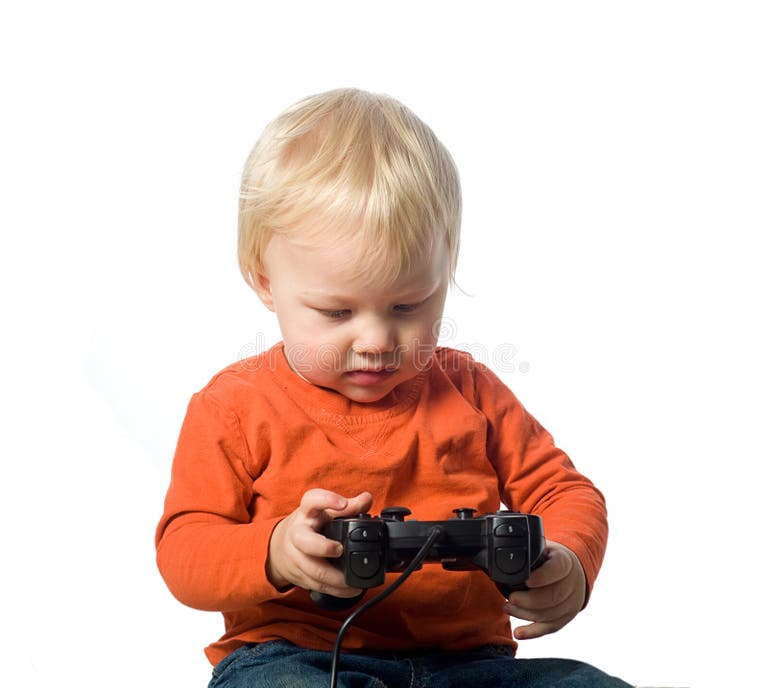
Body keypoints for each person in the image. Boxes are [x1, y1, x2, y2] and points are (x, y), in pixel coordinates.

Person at [155, 88, 631, 687]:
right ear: (265, 281)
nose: (377, 340)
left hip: (470, 666)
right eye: (336, 312)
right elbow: (185, 549)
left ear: (445, 270)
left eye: (408, 305)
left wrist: (567, 561)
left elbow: (564, 492)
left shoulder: (470, 391)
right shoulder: (234, 406)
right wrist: (274, 552)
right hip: (295, 655)